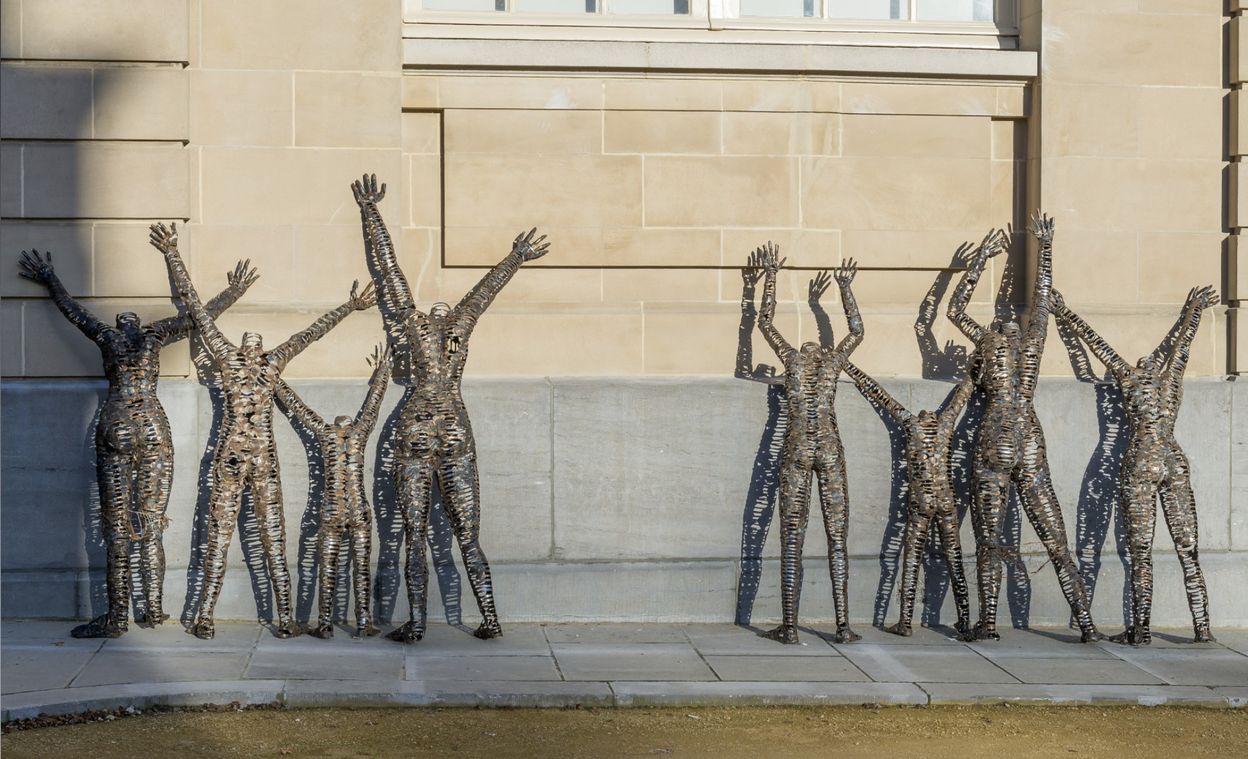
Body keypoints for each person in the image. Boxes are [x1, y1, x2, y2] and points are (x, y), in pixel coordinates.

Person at [150, 222, 375, 639]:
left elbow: (310, 332)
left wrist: (349, 307)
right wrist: (172, 253)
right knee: (219, 538)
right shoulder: (236, 359)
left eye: (256, 339)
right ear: (241, 346)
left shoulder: (271, 362)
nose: (252, 342)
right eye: (247, 339)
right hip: (235, 457)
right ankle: (205, 616)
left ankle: (286, 618)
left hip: (255, 459)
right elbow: (198, 311)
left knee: (272, 539)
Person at [18, 248, 257, 638]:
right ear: (138, 325)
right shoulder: (155, 334)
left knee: (114, 528)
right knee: (150, 524)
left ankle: (116, 618)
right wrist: (232, 292)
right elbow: (199, 318)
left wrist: (49, 277)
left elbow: (72, 310)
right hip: (151, 424)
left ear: (119, 323)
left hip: (115, 421)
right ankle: (154, 610)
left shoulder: (107, 336)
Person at [351, 174, 548, 643]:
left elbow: (390, 272)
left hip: (417, 422)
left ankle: (417, 624)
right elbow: (486, 290)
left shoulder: (415, 326)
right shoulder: (461, 324)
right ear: (450, 316)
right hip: (455, 426)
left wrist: (370, 210)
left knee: (413, 534)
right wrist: (516, 257)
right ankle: (492, 621)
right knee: (468, 536)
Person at [947, 216, 1100, 642]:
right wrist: (1044, 247)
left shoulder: (989, 344)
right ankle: (1086, 624)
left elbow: (953, 310)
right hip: (1027, 433)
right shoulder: (1031, 344)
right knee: (1054, 535)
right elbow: (1043, 296)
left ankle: (989, 623)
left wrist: (980, 261)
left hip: (996, 432)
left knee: (989, 537)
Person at [1053, 285, 1218, 645]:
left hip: (1142, 460)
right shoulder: (1170, 379)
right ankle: (1202, 627)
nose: (1147, 358)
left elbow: (1093, 347)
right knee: (1188, 551)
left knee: (1140, 553)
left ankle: (1141, 629)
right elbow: (1182, 345)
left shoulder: (1127, 376)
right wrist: (1195, 309)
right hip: (1173, 458)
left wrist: (1062, 312)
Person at [754, 242, 862, 645]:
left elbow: (765, 323)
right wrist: (843, 289)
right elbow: (857, 331)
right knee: (837, 537)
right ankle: (843, 626)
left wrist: (770, 277)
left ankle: (791, 627)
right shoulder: (833, 363)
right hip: (830, 449)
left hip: (798, 448)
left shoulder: (792, 362)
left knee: (792, 536)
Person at [844, 363, 974, 637]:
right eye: (926, 413)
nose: (928, 413)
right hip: (946, 500)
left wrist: (850, 367)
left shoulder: (913, 425)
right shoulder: (945, 424)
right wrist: (976, 368)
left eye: (930, 413)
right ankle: (964, 618)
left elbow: (882, 397)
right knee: (953, 557)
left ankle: (905, 621)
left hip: (922, 501)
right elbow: (963, 392)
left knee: (912, 558)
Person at [275, 345, 391, 639]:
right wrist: (383, 371)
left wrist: (275, 379)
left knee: (327, 569)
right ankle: (363, 623)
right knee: (361, 569)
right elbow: (373, 405)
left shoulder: (326, 433)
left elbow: (298, 408)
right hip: (360, 512)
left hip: (332, 511)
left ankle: (325, 624)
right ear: (350, 425)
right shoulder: (360, 432)